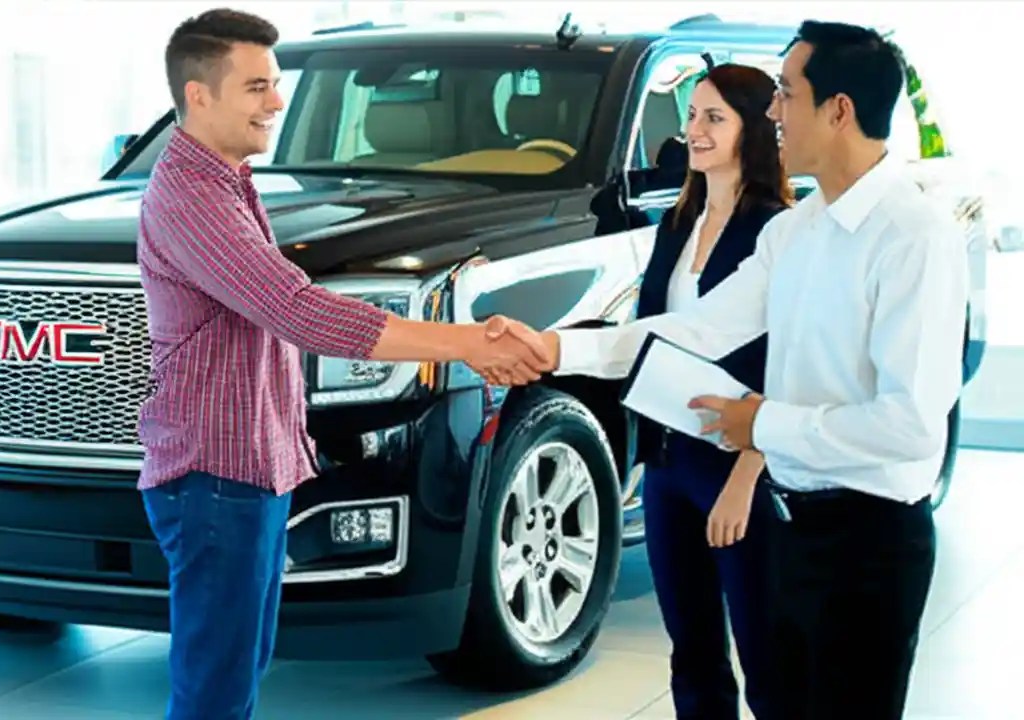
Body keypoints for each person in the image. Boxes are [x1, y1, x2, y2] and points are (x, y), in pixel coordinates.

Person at [490, 20, 967, 720]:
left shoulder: (914, 237)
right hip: (792, 523)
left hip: (871, 543)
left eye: (786, 95)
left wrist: (759, 425)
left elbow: (911, 428)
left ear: (839, 111)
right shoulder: (794, 233)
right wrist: (560, 349)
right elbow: (698, 331)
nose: (773, 113)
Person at [135, 9, 550, 720]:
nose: (277, 101)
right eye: (258, 86)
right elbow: (299, 312)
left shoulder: (229, 180)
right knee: (214, 691)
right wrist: (470, 344)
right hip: (215, 478)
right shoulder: (193, 196)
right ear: (199, 96)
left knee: (236, 673)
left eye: (276, 84)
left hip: (248, 467)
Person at [632, 63, 792, 720]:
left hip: (738, 466)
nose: (691, 132)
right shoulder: (677, 223)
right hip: (669, 465)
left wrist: (746, 475)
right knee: (691, 649)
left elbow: (790, 365)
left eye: (712, 118)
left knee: (766, 652)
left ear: (752, 131)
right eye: (691, 116)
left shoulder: (778, 230)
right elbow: (653, 336)